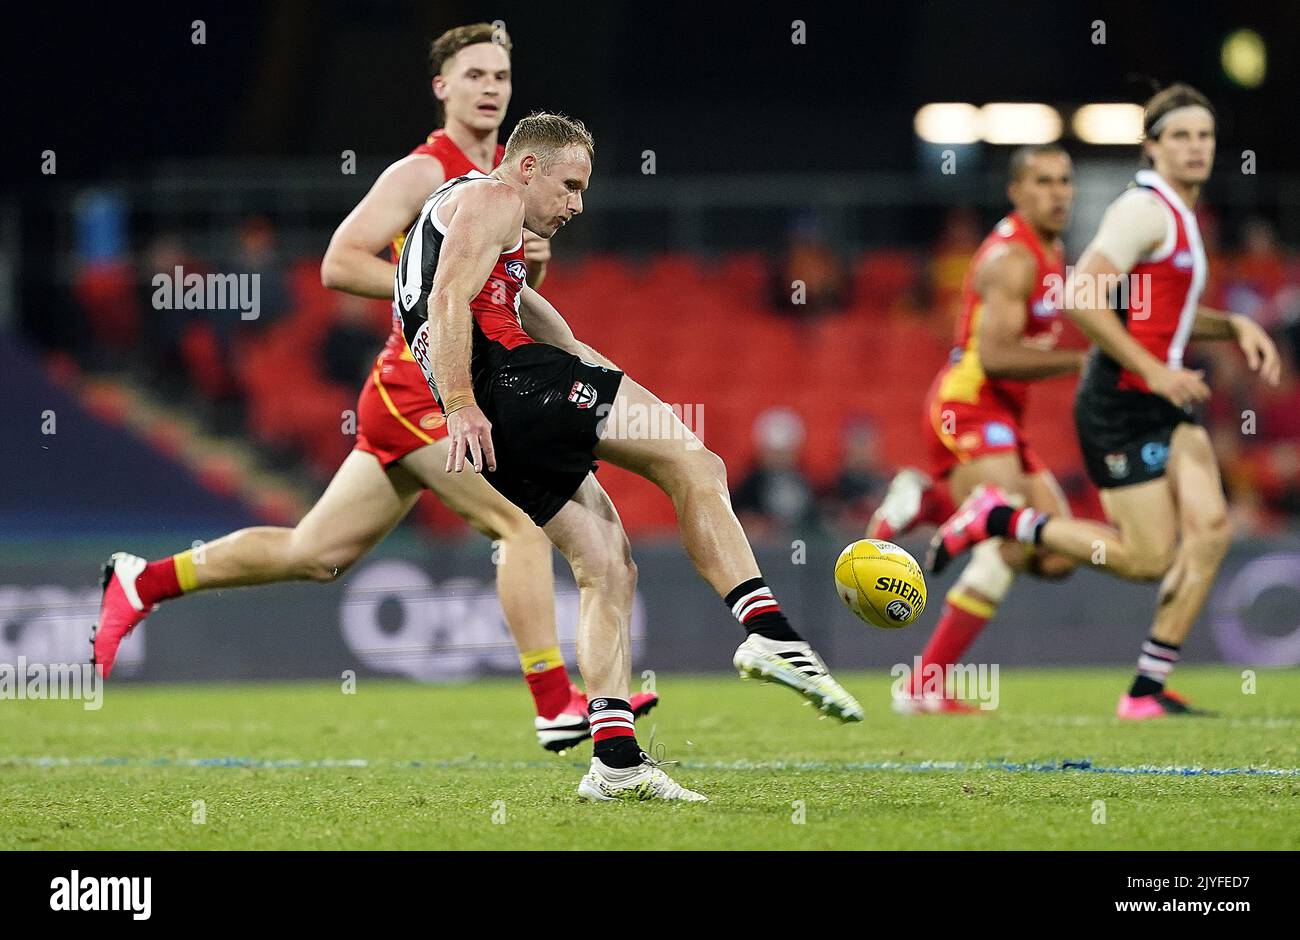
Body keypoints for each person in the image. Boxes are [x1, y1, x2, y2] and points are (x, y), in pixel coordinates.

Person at [92, 23, 656, 753]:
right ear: (441, 88)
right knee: (519, 524)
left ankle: (144, 582)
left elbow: (503, 301)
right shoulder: (424, 171)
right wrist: (438, 284)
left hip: (450, 379)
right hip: (414, 385)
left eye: (500, 77)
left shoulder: (516, 180)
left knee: (315, 553)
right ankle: (557, 704)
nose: (489, 88)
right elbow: (337, 262)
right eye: (474, 74)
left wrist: (526, 268)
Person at [397, 112, 862, 802]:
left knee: (606, 564)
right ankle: (768, 630)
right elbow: (446, 299)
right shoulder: (491, 197)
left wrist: (610, 392)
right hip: (508, 388)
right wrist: (462, 403)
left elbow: (565, 342)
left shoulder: (479, 235)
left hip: (504, 408)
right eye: (570, 185)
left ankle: (614, 760)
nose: (577, 205)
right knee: (697, 466)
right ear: (527, 167)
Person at [928, 84, 1282, 718]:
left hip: (1161, 399)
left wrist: (1231, 326)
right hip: (1122, 402)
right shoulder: (1144, 211)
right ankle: (1000, 521)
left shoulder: (1178, 214)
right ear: (1152, 147)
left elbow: (1156, 315)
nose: (1196, 147)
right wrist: (1152, 368)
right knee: (1148, 560)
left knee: (1212, 530)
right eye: (1180, 136)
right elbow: (1082, 297)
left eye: (1204, 135)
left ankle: (1146, 688)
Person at [868, 144, 1082, 713]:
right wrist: (1086, 362)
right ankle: (924, 686)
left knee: (1057, 551)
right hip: (969, 404)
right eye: (1043, 181)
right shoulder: (1014, 258)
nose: (1058, 191)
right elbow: (997, 357)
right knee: (1007, 541)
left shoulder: (1051, 250)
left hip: (1003, 415)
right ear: (1016, 191)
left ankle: (930, 503)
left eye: (1065, 180)